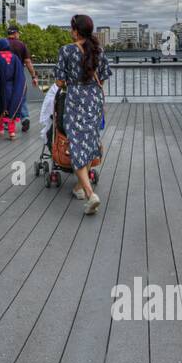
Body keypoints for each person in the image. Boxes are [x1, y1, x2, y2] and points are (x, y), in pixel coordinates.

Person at [55, 13, 112, 216]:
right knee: (89, 142)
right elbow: (103, 77)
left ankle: (89, 193)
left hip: (76, 100)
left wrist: (70, 83)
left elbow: (60, 81)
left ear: (75, 31)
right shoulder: (99, 50)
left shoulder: (66, 51)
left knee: (76, 143)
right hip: (94, 99)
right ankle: (79, 187)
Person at [0, 36, 29, 137]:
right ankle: (11, 132)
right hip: (12, 87)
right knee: (12, 106)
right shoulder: (15, 58)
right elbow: (20, 75)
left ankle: (0, 130)